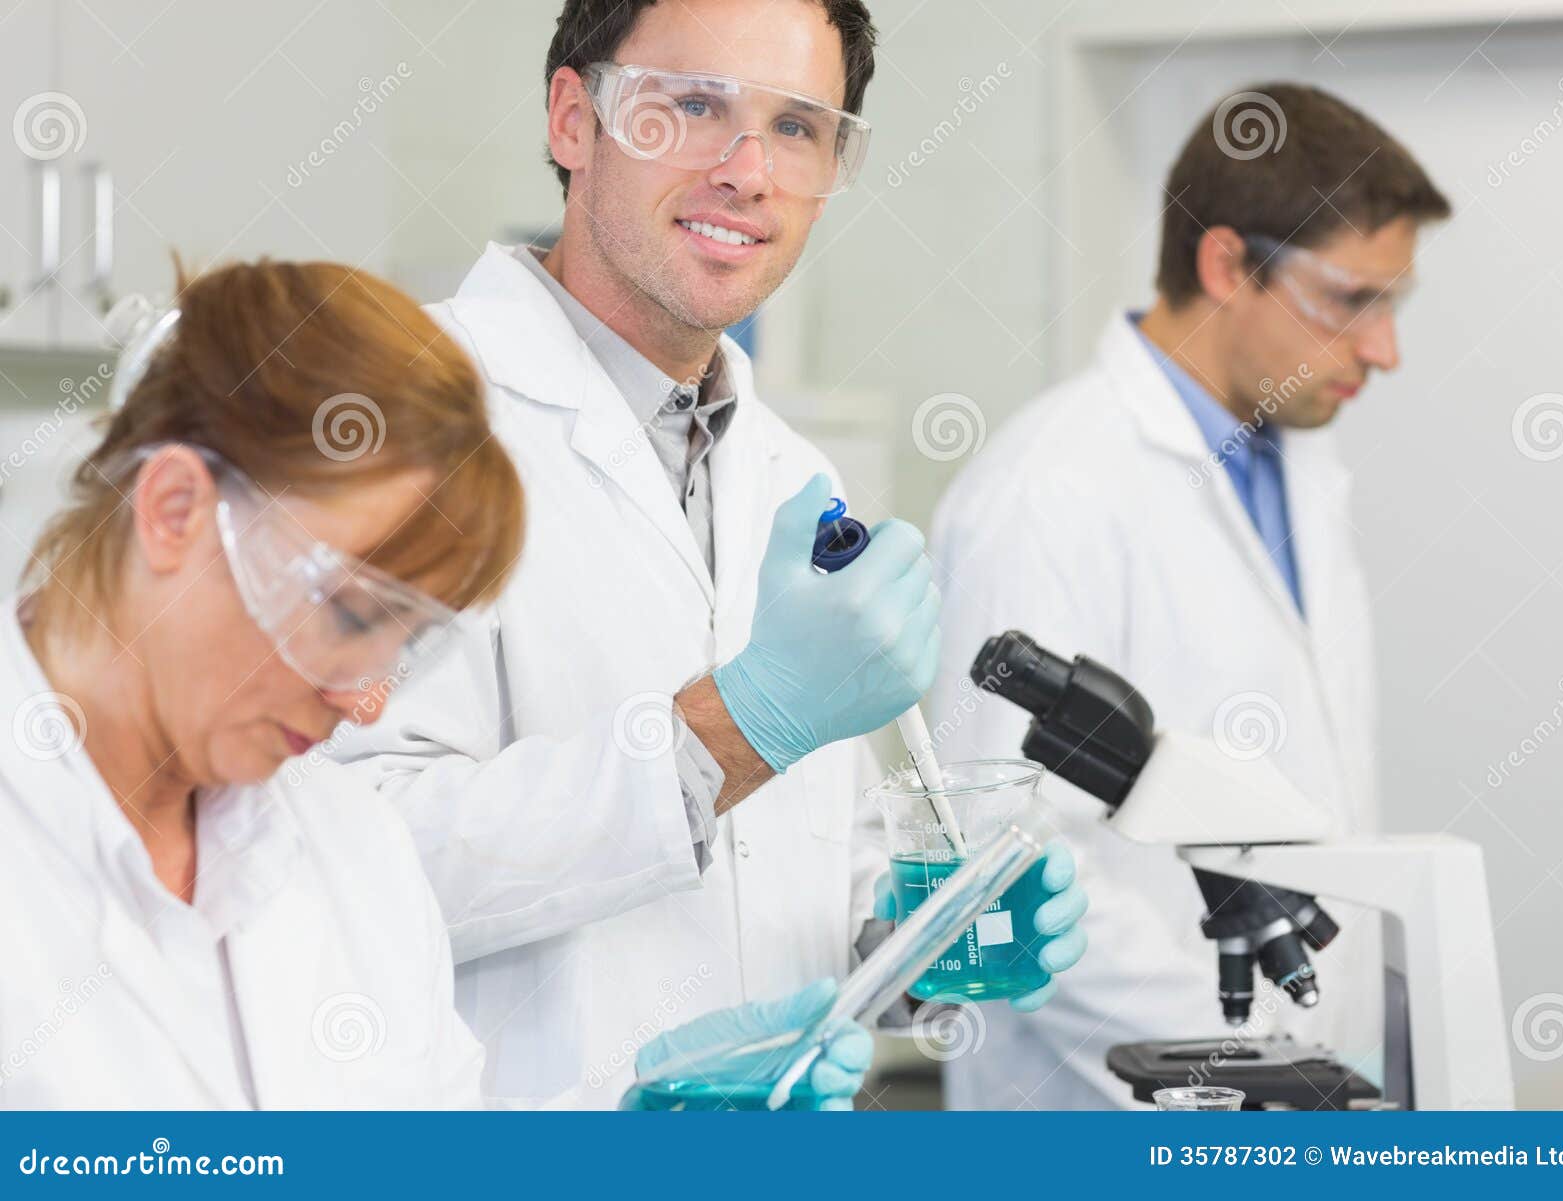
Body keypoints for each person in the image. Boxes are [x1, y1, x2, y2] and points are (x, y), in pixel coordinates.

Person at [328, 0, 1089, 1108]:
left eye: (798, 128)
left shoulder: (795, 476)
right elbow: (343, 863)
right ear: (572, 121)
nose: (748, 172)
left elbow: (794, 866)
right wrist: (733, 729)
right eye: (692, 107)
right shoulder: (402, 419)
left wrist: (909, 937)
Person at [0, 258, 873, 1111]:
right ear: (176, 511)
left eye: (408, 645)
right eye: (347, 615)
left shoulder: (346, 848)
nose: (368, 701)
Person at [927, 84, 1452, 1109]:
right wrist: (1246, 1066)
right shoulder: (1049, 492)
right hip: (1118, 1104)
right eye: (1352, 300)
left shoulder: (1293, 466)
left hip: (1288, 1085)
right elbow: (1001, 863)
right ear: (1224, 265)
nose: (1384, 349)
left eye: (1393, 304)